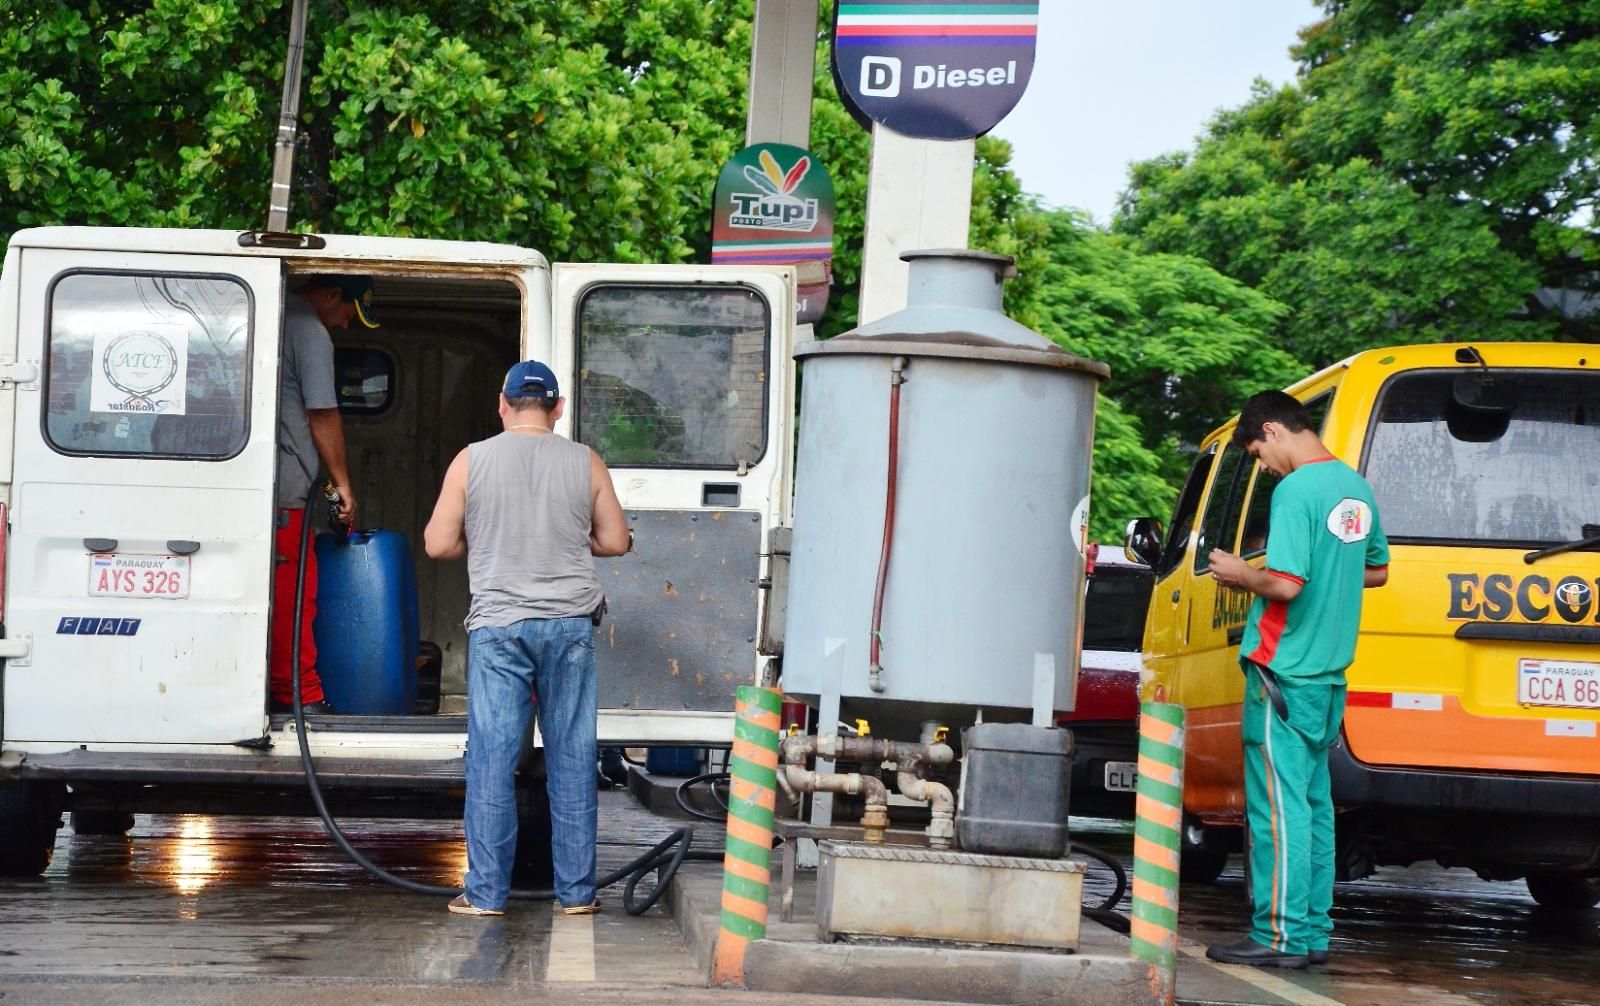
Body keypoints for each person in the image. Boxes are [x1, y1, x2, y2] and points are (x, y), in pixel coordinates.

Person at [423, 360, 630, 917]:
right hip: (569, 627)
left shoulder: (471, 460)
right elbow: (615, 540)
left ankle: (486, 895)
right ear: (558, 407)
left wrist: (487, 539)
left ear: (502, 404)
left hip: (500, 628)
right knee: (572, 756)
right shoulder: (584, 461)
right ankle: (577, 896)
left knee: (492, 759)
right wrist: (567, 537)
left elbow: (438, 544)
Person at [1204, 391, 1389, 970]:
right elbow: (1378, 570)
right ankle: (1310, 934)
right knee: (1313, 808)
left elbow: (1285, 584)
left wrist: (1239, 573)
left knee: (1278, 812)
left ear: (1273, 430)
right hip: (1329, 677)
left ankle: (1277, 935)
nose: (1263, 467)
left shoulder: (1295, 491)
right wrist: (1332, 568)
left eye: (1259, 453)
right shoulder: (1354, 488)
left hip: (1282, 674)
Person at [271, 276, 376, 714]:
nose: (345, 326)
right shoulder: (310, 329)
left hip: (275, 488)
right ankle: (297, 693)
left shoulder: (276, 314)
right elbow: (322, 412)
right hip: (284, 497)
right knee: (294, 593)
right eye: (349, 315)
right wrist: (343, 484)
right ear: (333, 295)